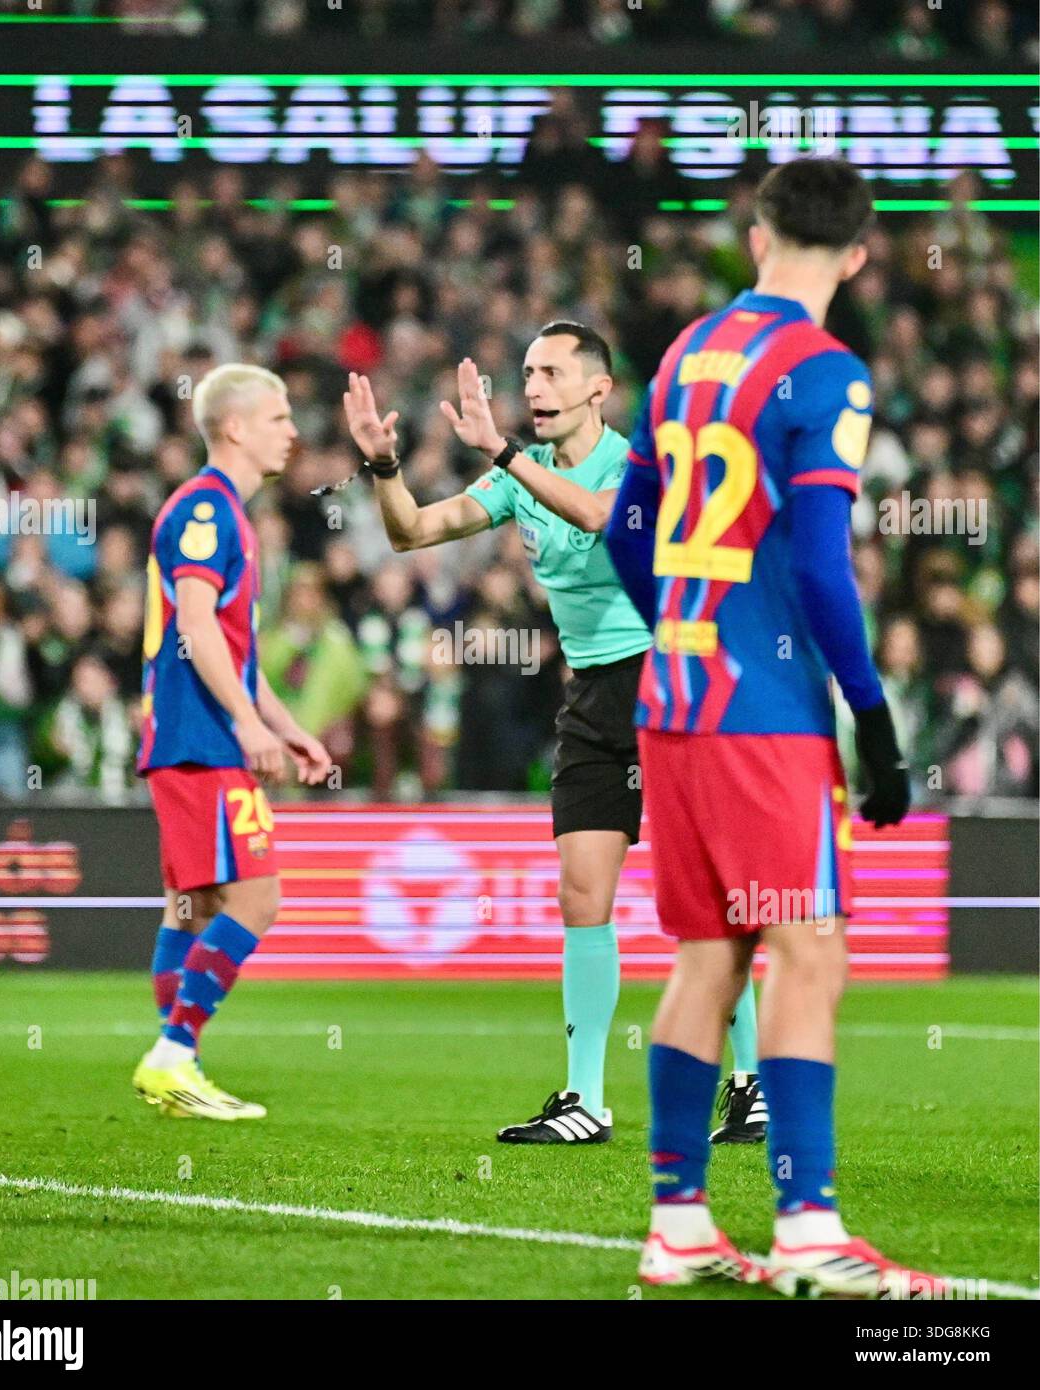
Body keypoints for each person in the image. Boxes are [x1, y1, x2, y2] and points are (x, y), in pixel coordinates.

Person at [606, 156, 946, 1297]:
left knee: (711, 953)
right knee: (807, 949)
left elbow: (624, 527)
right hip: (761, 711)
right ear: (856, 254)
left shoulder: (680, 356)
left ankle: (679, 1225)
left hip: (673, 696)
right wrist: (874, 715)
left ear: (756, 237)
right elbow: (814, 558)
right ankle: (808, 1228)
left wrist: (682, 628)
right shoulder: (826, 371)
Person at [344, 322, 764, 1145]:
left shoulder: (642, 460)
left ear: (597, 390)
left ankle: (749, 1084)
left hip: (668, 679)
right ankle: (586, 1101)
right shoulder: (519, 478)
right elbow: (411, 533)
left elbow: (608, 519)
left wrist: (503, 455)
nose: (532, 386)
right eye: (527, 371)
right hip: (591, 697)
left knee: (705, 895)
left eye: (550, 373)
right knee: (582, 894)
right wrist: (383, 466)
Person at [132, 364, 331, 1121]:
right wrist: (247, 728)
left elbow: (235, 655)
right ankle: (174, 1053)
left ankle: (175, 1064)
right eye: (279, 417)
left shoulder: (226, 514)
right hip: (202, 743)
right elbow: (194, 622)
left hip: (194, 737)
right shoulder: (206, 511)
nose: (292, 430)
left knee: (189, 906)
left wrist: (286, 727)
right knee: (257, 899)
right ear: (237, 427)